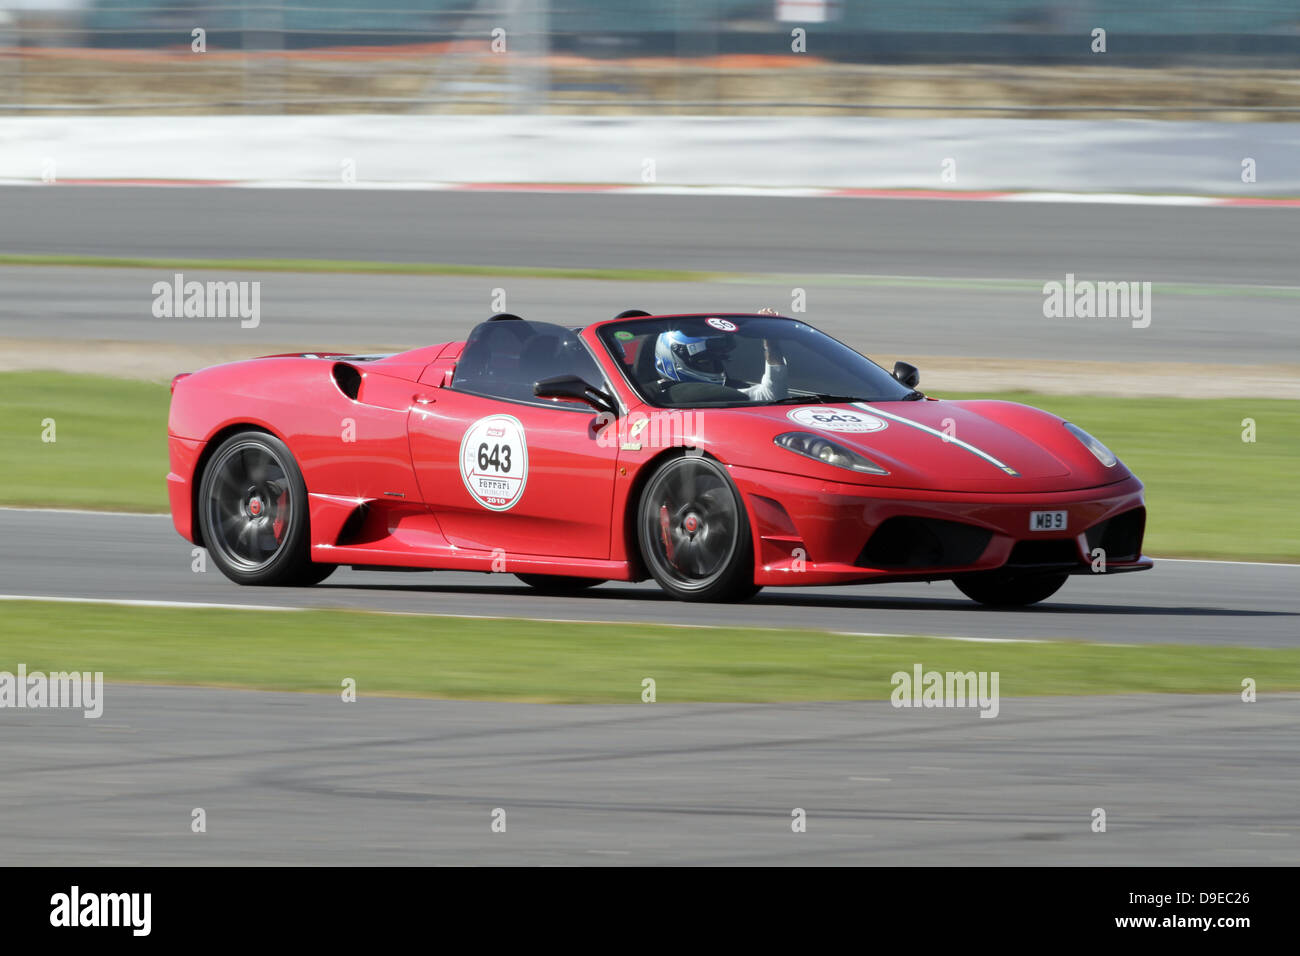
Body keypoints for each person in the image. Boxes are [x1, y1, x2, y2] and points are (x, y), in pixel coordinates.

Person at [653, 311, 788, 401]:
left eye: (715, 361)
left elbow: (773, 395)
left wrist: (771, 342)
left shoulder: (726, 396)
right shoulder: (656, 401)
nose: (713, 367)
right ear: (674, 363)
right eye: (705, 362)